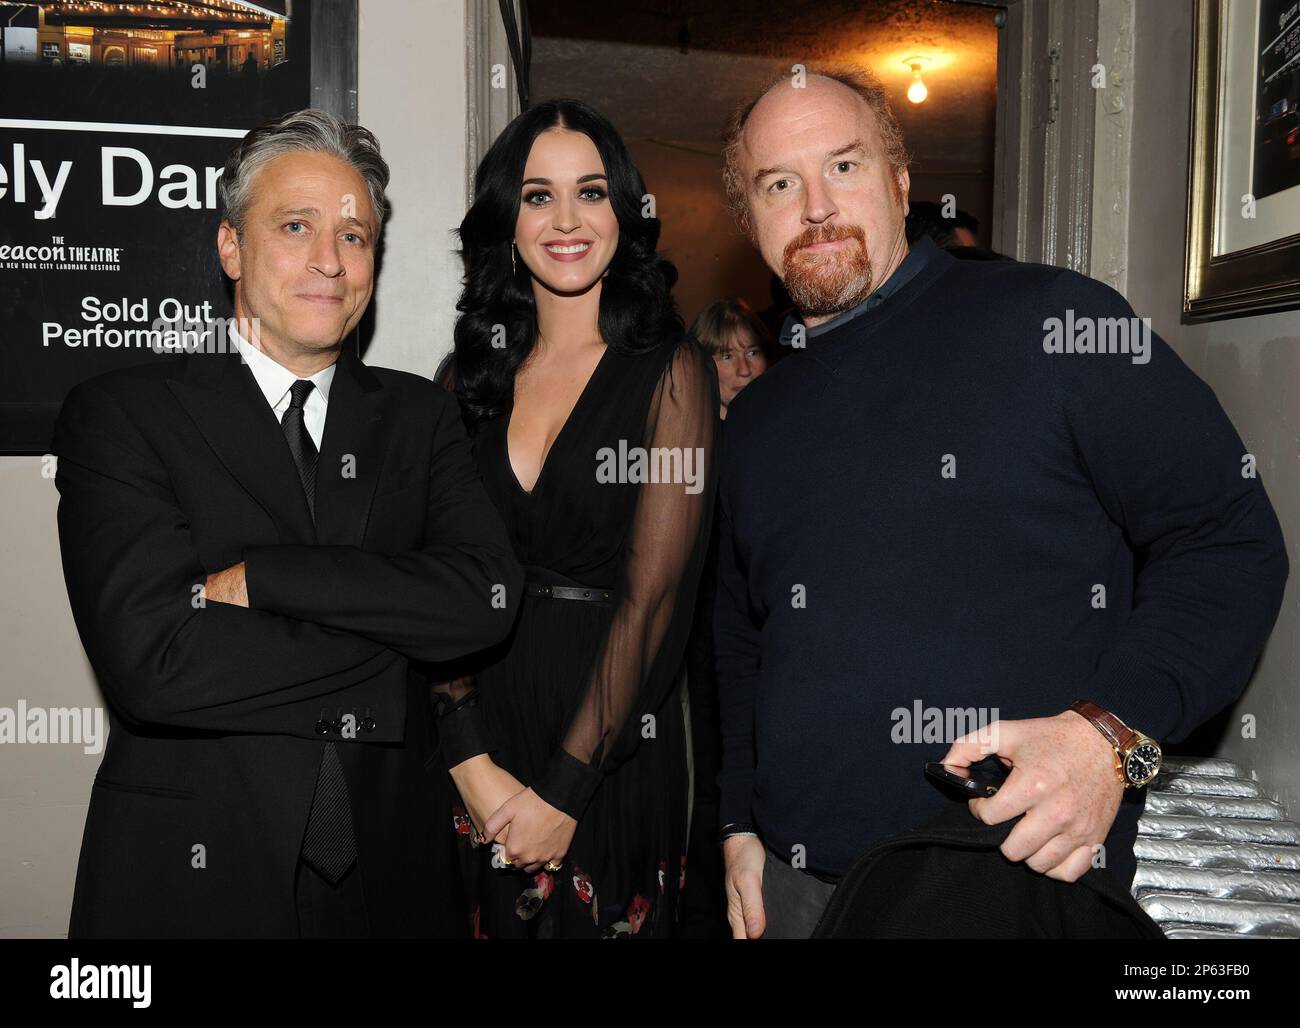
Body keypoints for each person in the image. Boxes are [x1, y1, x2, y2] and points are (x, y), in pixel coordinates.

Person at [714, 66, 1288, 939]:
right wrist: (738, 823)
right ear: (750, 217)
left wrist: (1109, 735)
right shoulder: (754, 421)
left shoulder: (1056, 323)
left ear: (901, 181)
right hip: (801, 898)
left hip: (1014, 885)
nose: (818, 207)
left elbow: (1228, 539)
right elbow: (741, 640)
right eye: (780, 184)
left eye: (845, 165)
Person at [52, 109, 521, 938]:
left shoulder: (421, 417)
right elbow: (156, 661)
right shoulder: (124, 414)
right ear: (231, 247)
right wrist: (397, 659)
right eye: (295, 226)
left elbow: (483, 600)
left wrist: (266, 579)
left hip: (394, 883)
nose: (329, 262)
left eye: (354, 235)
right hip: (192, 875)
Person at [433, 98, 719, 938]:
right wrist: (467, 756)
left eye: (590, 193)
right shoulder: (464, 380)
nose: (566, 219)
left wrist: (565, 788)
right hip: (477, 735)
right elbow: (438, 573)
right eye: (536, 195)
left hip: (610, 743)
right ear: (505, 220)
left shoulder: (674, 375)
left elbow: (654, 602)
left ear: (622, 214)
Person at [676, 298, 773, 937]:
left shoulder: (786, 442)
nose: (740, 367)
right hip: (693, 661)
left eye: (752, 351)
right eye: (723, 355)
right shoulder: (680, 448)